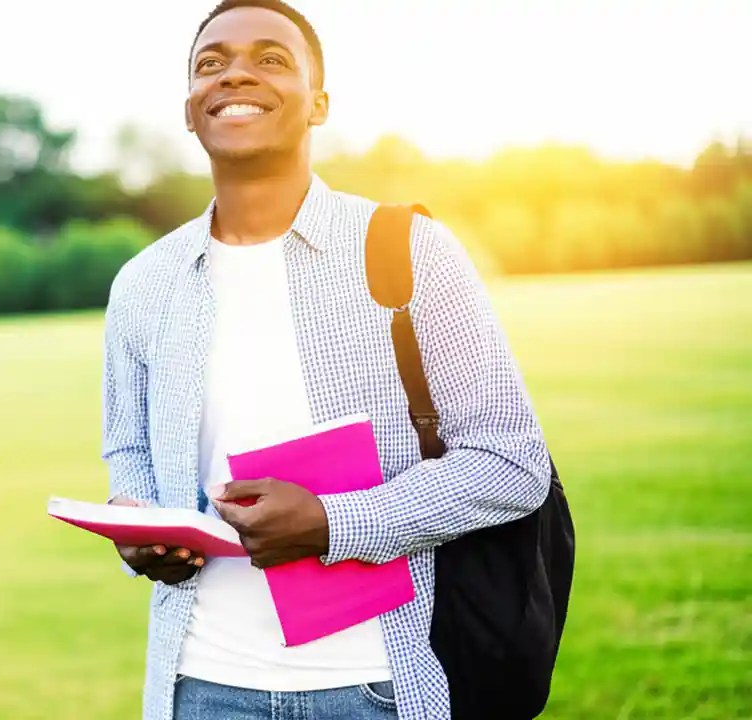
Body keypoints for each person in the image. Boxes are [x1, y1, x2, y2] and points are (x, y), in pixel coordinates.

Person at [100, 1, 552, 718]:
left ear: (319, 103)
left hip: (380, 685)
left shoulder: (411, 251)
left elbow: (511, 462)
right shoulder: (143, 285)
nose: (235, 74)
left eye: (270, 58)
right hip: (200, 687)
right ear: (190, 110)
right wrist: (139, 528)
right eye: (210, 64)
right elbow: (127, 452)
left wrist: (335, 522)